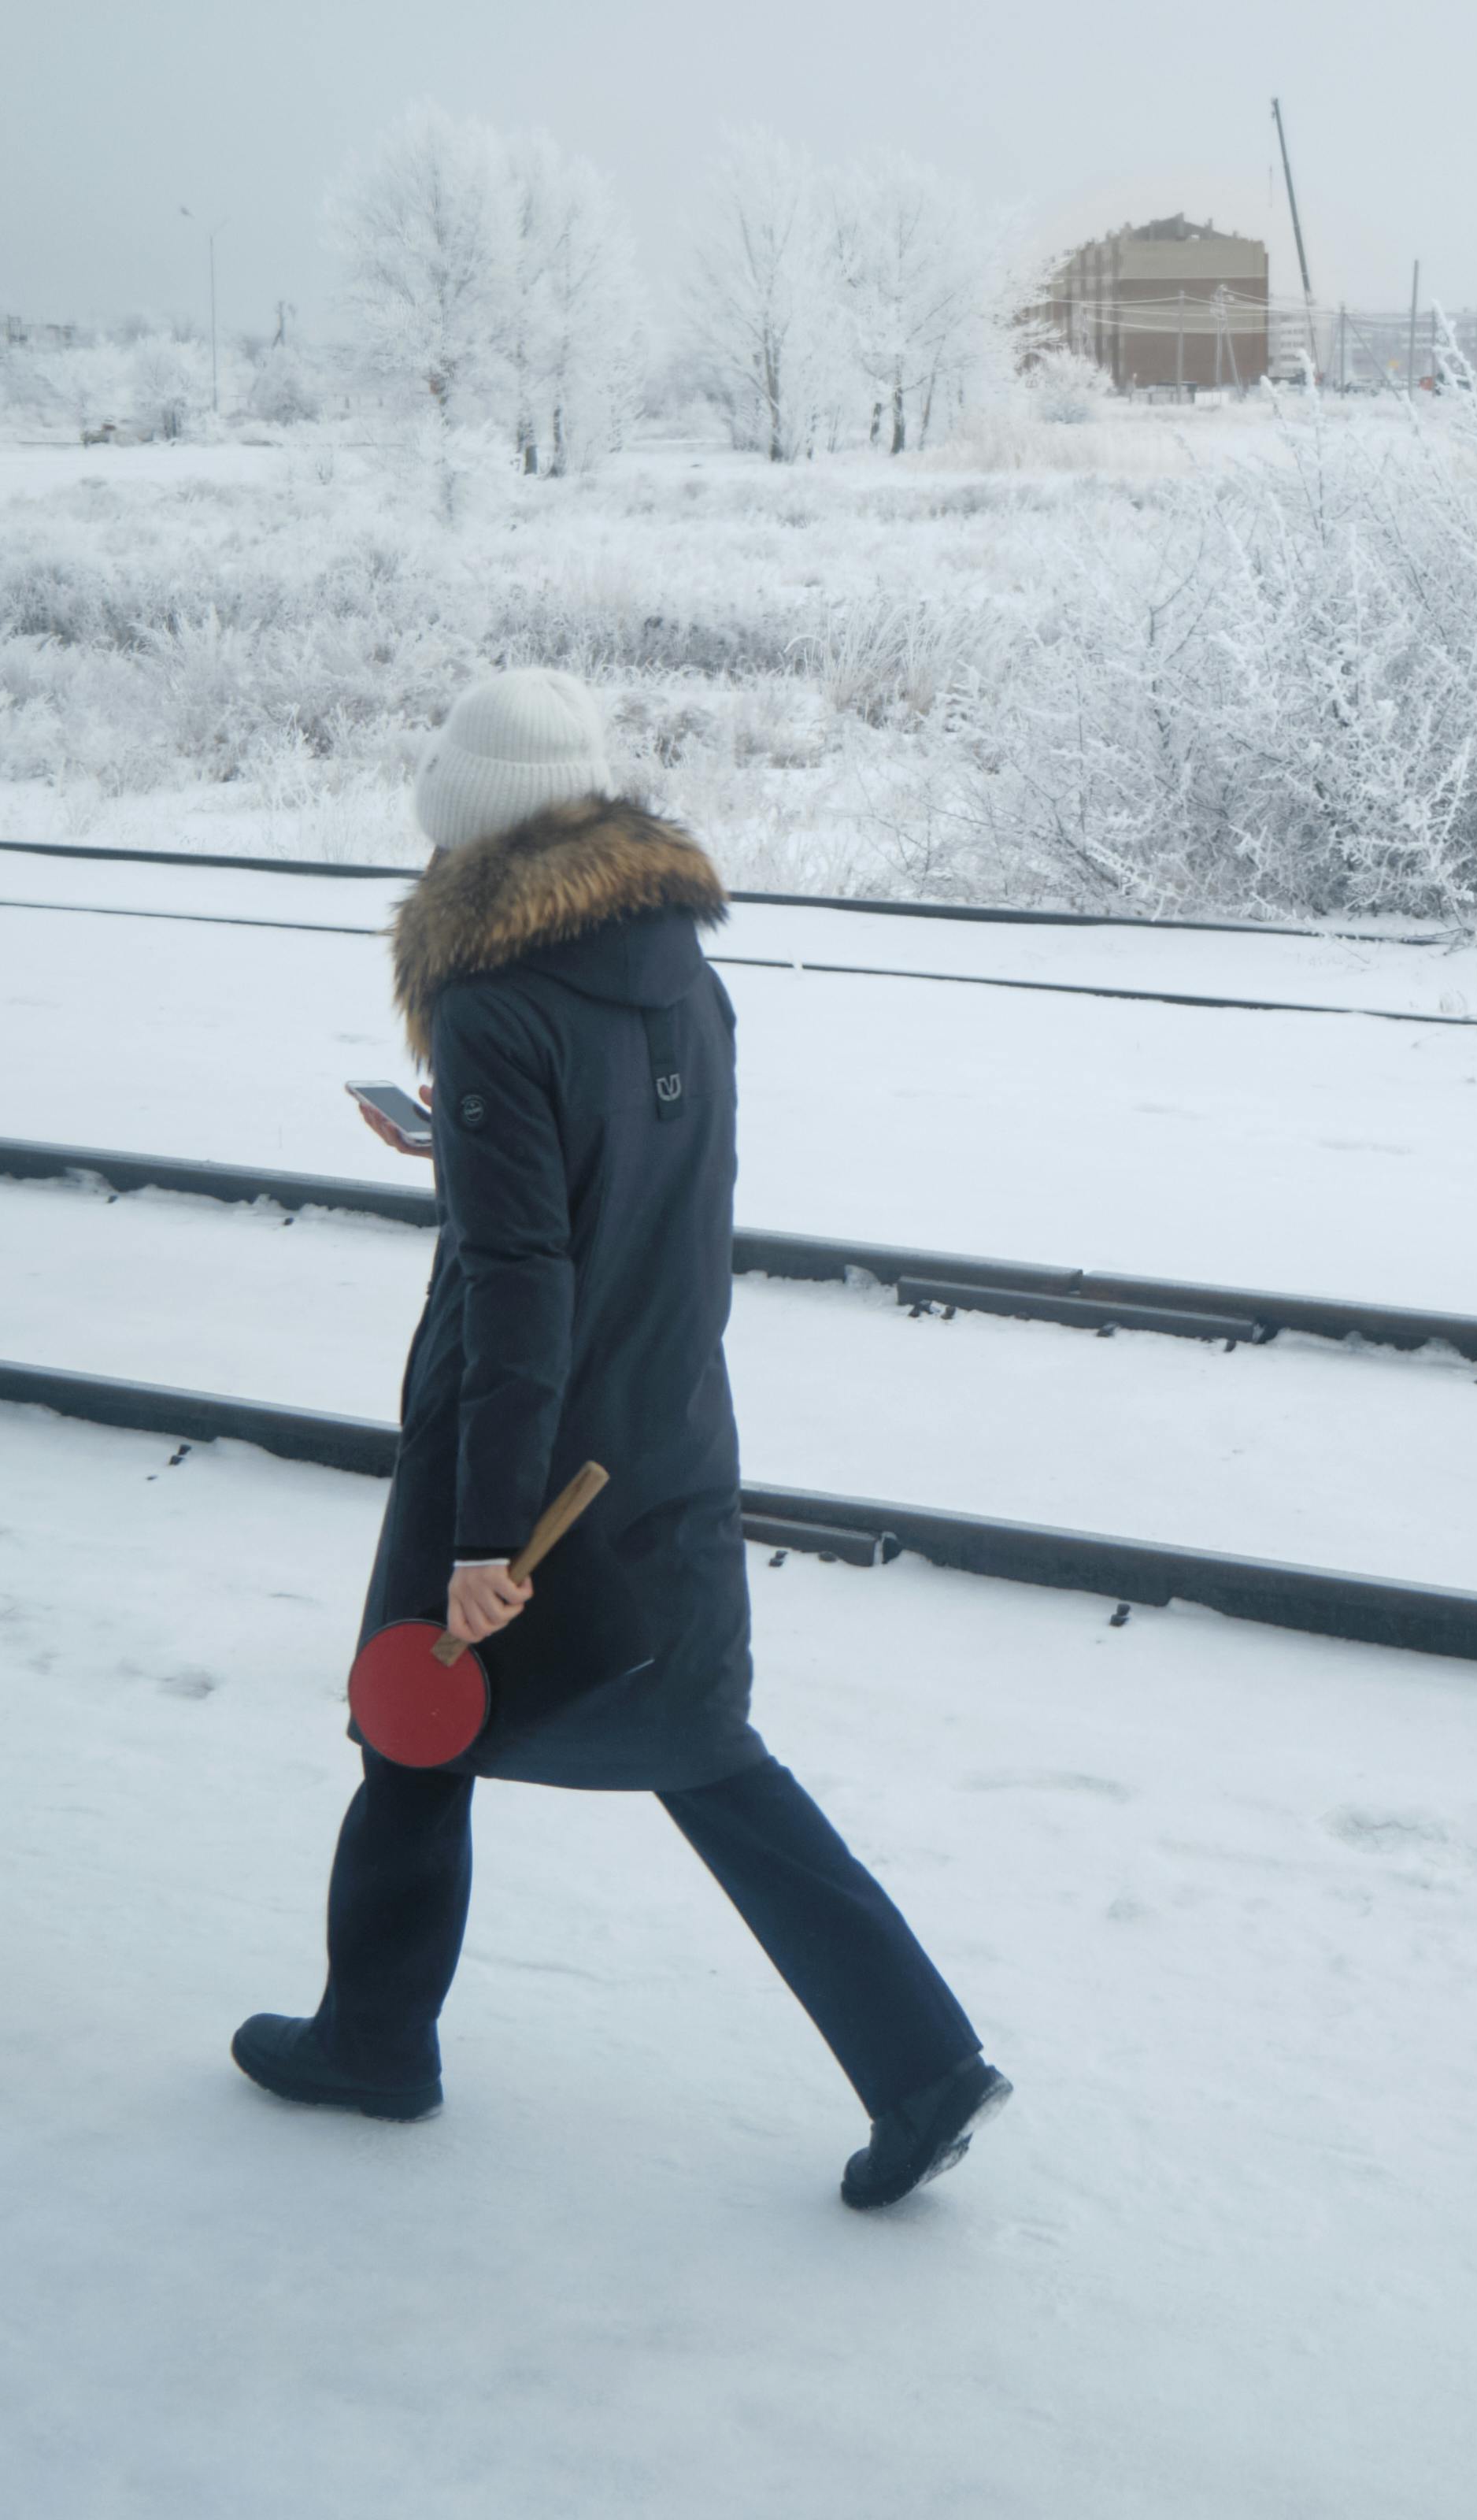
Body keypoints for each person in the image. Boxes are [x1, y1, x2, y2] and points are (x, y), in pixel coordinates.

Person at [233, 669, 1009, 2211]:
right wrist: (467, 1137)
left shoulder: (490, 1004)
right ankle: (921, 2062)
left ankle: (374, 2042)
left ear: (469, 829)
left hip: (520, 1443)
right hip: (667, 1420)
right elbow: (646, 1194)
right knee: (700, 1747)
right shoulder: (681, 975)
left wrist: (481, 1537)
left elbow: (522, 1280)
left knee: (416, 1717)